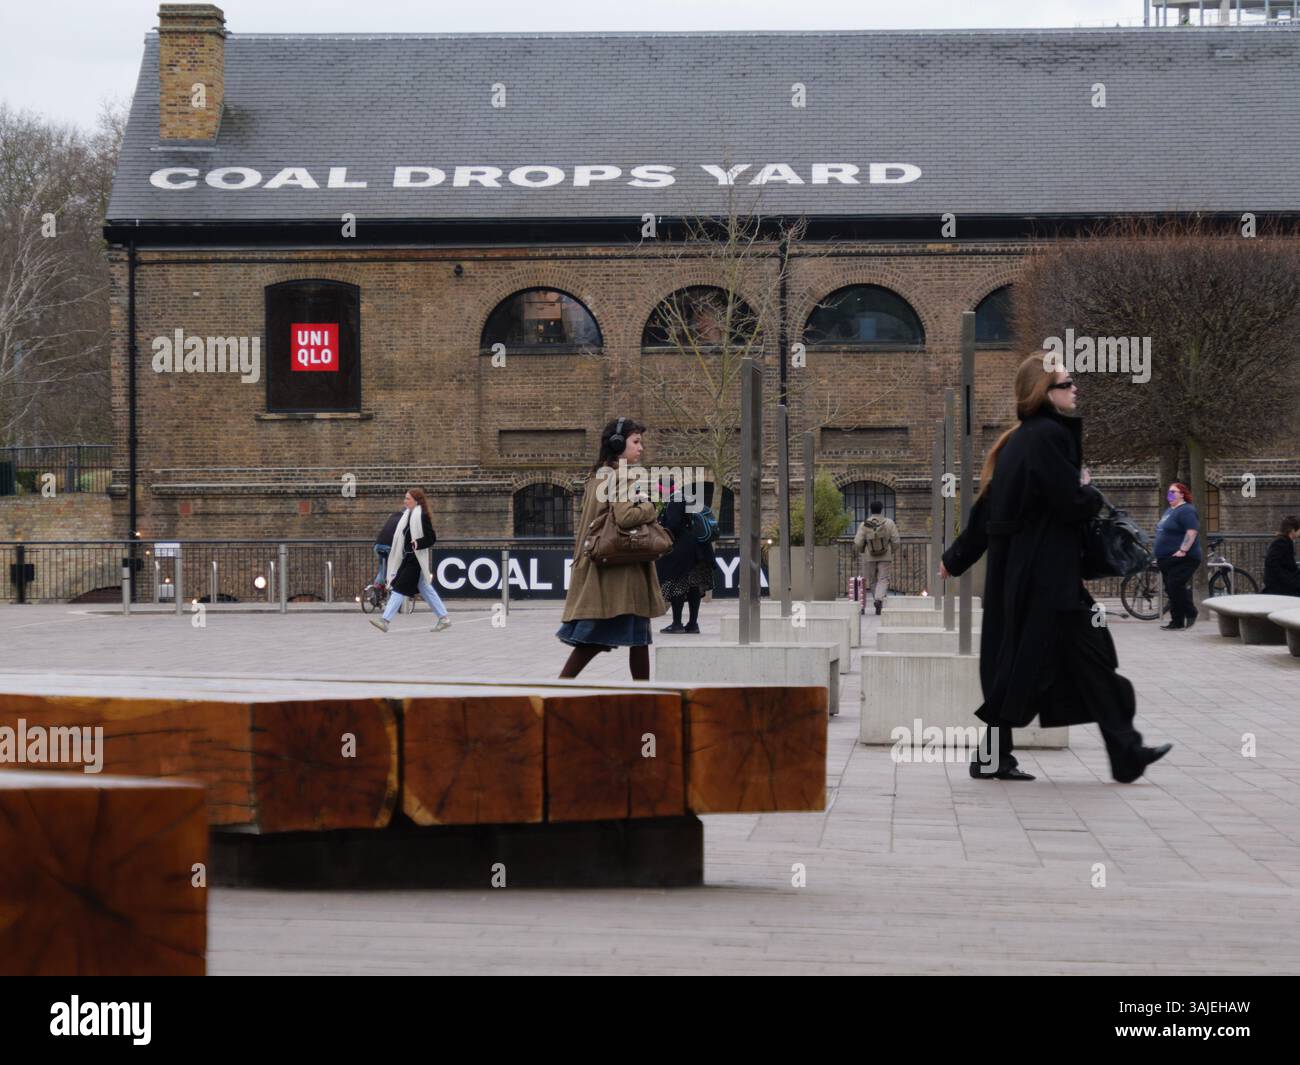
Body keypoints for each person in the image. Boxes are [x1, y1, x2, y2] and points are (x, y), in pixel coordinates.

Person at [939, 353, 1171, 784]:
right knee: (1067, 664)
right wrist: (1087, 490)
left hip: (1031, 580)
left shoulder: (1018, 442)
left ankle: (1123, 752)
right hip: (1047, 582)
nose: (1074, 389)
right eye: (1066, 384)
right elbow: (1068, 503)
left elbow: (987, 513)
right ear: (1042, 392)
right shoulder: (1047, 437)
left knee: (1058, 665)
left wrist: (954, 559)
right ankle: (1122, 751)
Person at [557, 417, 667, 679]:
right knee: (597, 639)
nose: (641, 448)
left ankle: (644, 698)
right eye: (636, 442)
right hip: (620, 576)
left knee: (634, 639)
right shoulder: (621, 476)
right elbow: (626, 517)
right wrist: (650, 506)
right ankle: (559, 688)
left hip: (612, 570)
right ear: (618, 444)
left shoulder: (598, 476)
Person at [368, 488, 451, 634]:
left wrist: (417, 543)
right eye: (405, 498)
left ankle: (385, 620)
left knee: (399, 588)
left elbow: (431, 538)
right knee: (426, 589)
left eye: (408, 499)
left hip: (416, 559)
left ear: (416, 501)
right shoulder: (407, 516)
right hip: (407, 557)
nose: (404, 501)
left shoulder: (422, 516)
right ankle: (444, 618)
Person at [657, 480, 717, 634]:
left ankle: (677, 624)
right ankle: (692, 624)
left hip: (683, 552)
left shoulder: (675, 500)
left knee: (677, 585)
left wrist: (660, 527)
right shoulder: (686, 498)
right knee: (693, 587)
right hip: (699, 550)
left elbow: (674, 525)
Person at [1154, 482, 1201, 630]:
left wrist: (1183, 550)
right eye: (1169, 492)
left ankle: (1191, 611)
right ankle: (1177, 621)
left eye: (1173, 492)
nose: (1170, 494)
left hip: (1183, 558)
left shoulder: (1186, 510)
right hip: (1167, 559)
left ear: (1182, 494)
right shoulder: (1169, 511)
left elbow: (1191, 531)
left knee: (1175, 586)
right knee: (1171, 589)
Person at [852, 500, 900, 615]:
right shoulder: (889, 523)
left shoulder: (865, 524)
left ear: (871, 509)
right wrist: (891, 550)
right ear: (881, 509)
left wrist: (863, 550)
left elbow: (858, 542)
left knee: (873, 580)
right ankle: (879, 600)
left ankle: (877, 600)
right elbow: (896, 540)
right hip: (885, 555)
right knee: (883, 579)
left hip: (869, 556)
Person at [1262, 515, 1300, 596]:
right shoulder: (1281, 542)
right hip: (1278, 583)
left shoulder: (1286, 541)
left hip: (1283, 580)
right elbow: (1271, 563)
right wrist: (1289, 579)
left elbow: (1289, 566)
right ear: (1293, 530)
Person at [372, 508, 403, 589]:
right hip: (388, 546)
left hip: (378, 545)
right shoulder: (403, 520)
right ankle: (391, 586)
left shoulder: (392, 517)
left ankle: (377, 588)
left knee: (382, 568)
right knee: (394, 567)